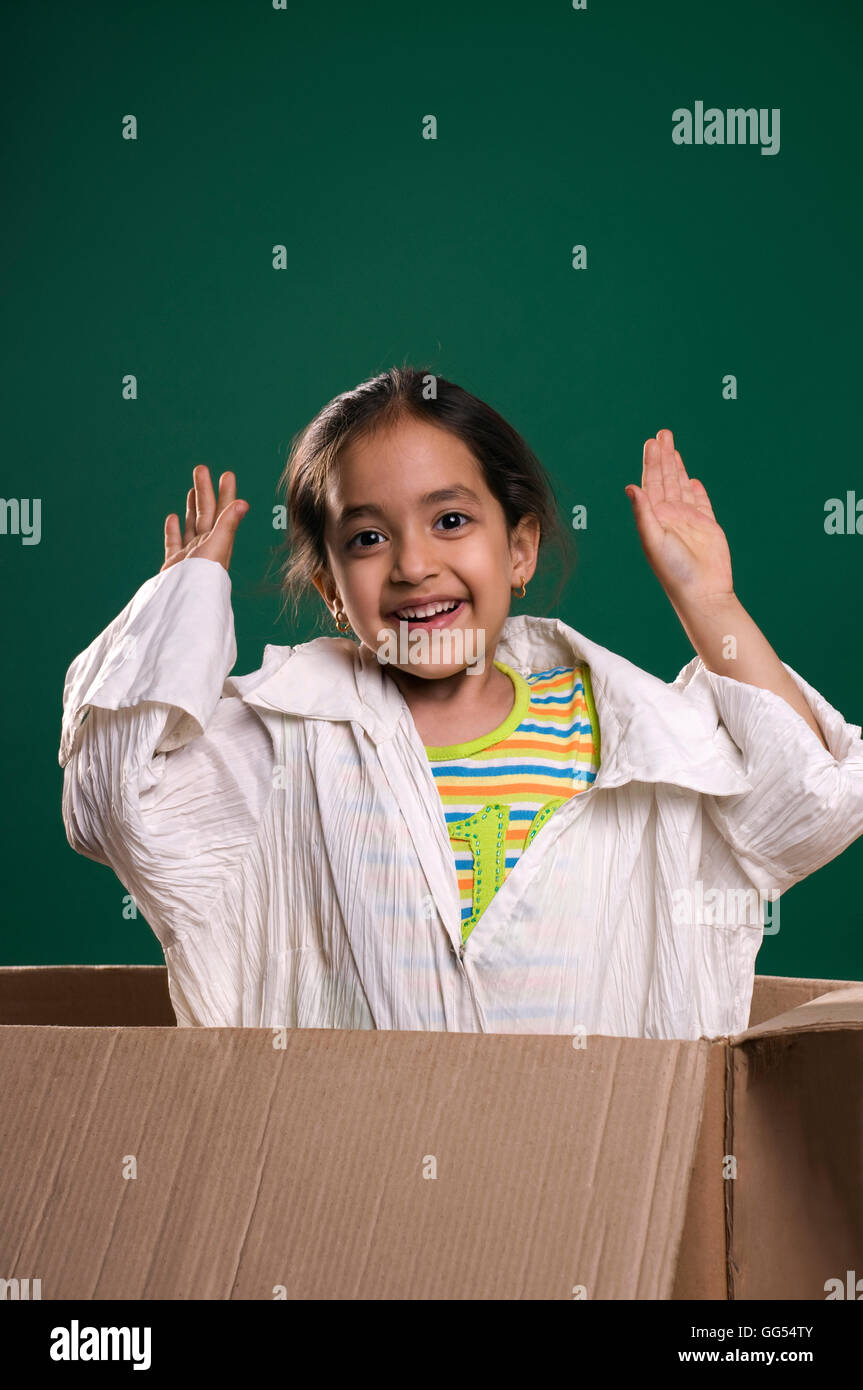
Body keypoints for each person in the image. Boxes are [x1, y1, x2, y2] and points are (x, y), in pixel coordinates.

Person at [59, 366, 863, 1038]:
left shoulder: (626, 734)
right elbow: (112, 800)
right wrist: (183, 599)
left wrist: (710, 604)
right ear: (331, 592)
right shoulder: (285, 741)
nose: (412, 564)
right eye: (367, 539)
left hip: (598, 1183)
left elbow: (810, 802)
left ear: (518, 549)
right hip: (346, 1192)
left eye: (450, 520)